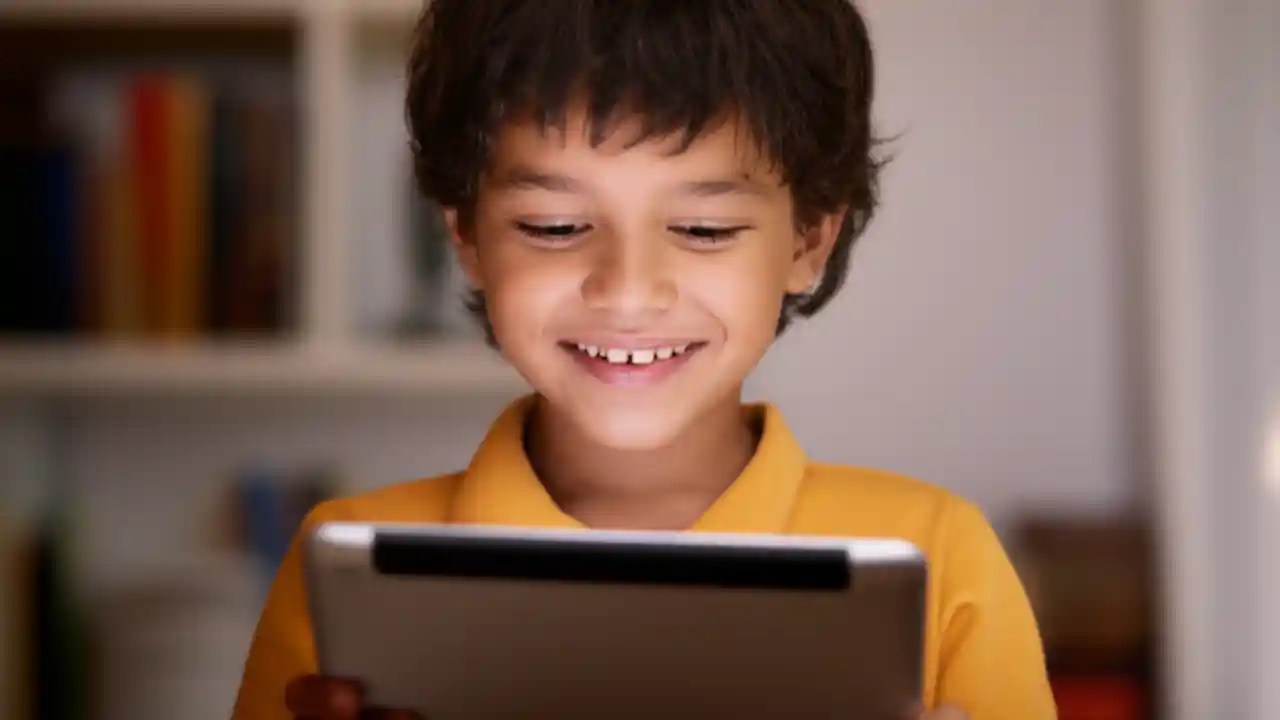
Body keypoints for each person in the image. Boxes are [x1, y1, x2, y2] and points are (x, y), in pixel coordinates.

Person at [232, 1, 1056, 718]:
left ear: (809, 238)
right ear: (467, 236)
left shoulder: (942, 562)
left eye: (704, 230)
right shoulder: (350, 569)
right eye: (554, 226)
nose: (628, 292)